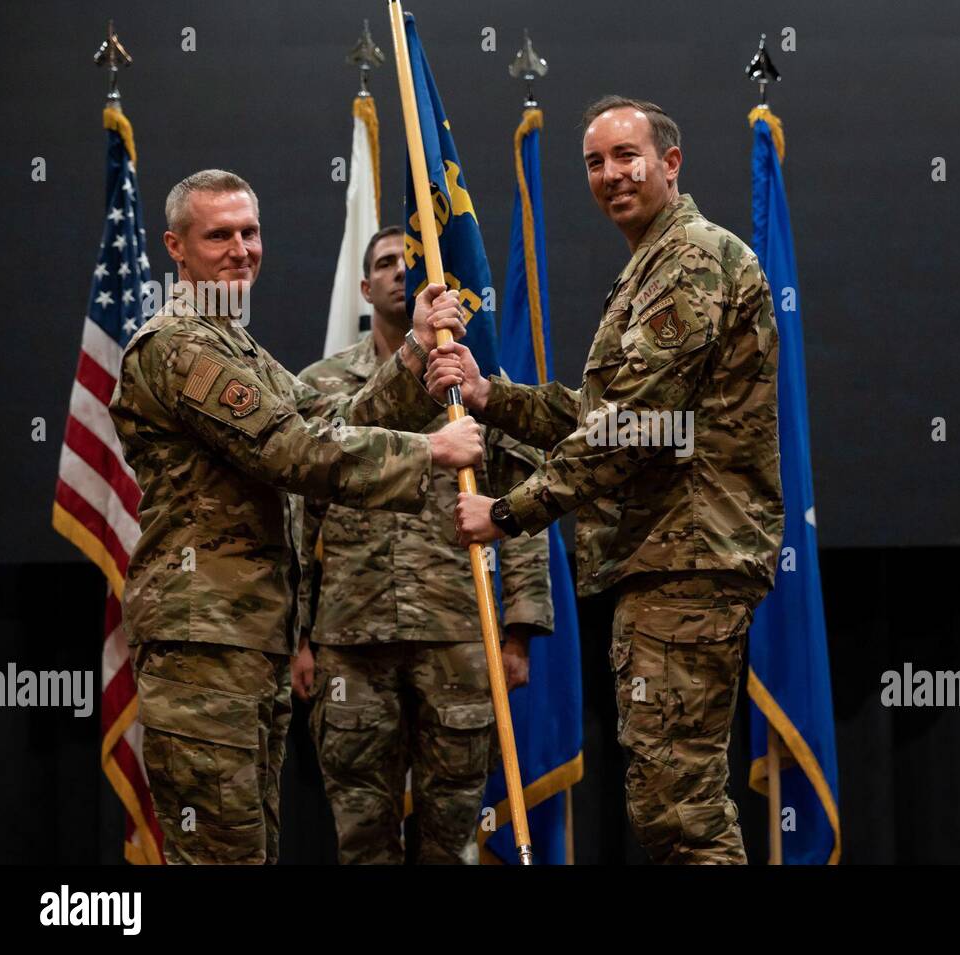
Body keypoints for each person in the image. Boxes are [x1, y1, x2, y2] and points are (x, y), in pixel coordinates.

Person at [425, 97, 783, 864]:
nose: (612, 174)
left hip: (689, 560)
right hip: (665, 562)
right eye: (596, 161)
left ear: (670, 162)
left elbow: (636, 429)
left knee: (678, 809)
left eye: (628, 155)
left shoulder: (689, 261)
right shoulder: (651, 265)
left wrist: (510, 512)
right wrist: (493, 397)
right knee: (669, 803)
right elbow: (600, 413)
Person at [108, 169, 482, 864]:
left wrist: (410, 353)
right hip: (203, 645)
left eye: (250, 232)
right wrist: (430, 449)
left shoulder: (240, 348)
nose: (241, 249)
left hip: (248, 639)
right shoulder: (178, 345)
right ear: (175, 247)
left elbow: (330, 418)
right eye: (218, 235)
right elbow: (288, 449)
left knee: (251, 850)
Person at [290, 225, 553, 864]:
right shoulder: (323, 384)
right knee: (361, 832)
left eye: (409, 262)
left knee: (455, 830)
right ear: (365, 285)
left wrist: (518, 631)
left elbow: (519, 503)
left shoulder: (478, 381)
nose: (400, 272)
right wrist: (299, 634)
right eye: (385, 263)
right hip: (352, 634)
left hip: (460, 627)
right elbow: (300, 518)